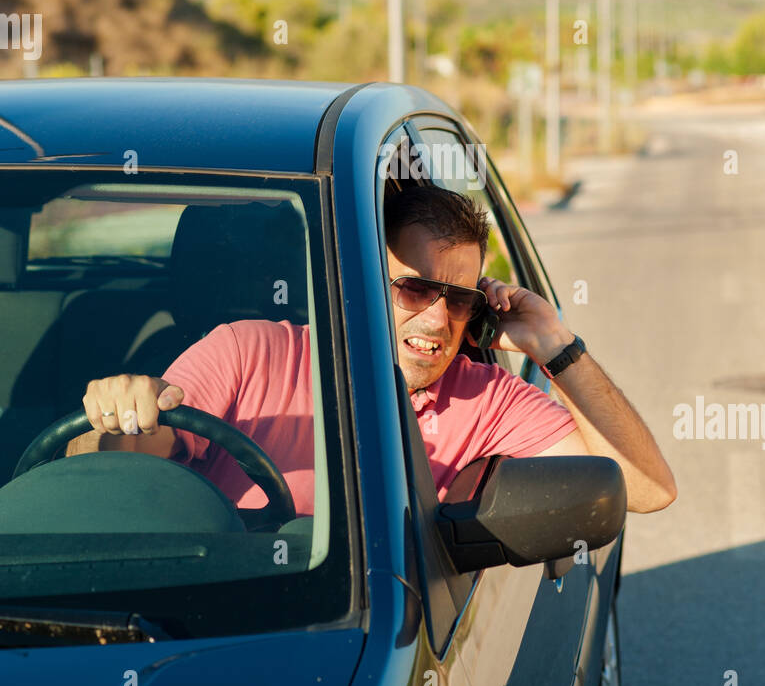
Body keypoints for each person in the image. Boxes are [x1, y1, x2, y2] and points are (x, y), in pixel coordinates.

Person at [67, 182, 676, 516]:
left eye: (461, 298)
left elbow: (649, 491)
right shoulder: (244, 352)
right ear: (356, 279)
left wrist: (557, 346)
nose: (438, 319)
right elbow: (123, 455)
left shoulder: (486, 398)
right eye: (415, 287)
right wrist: (121, 415)